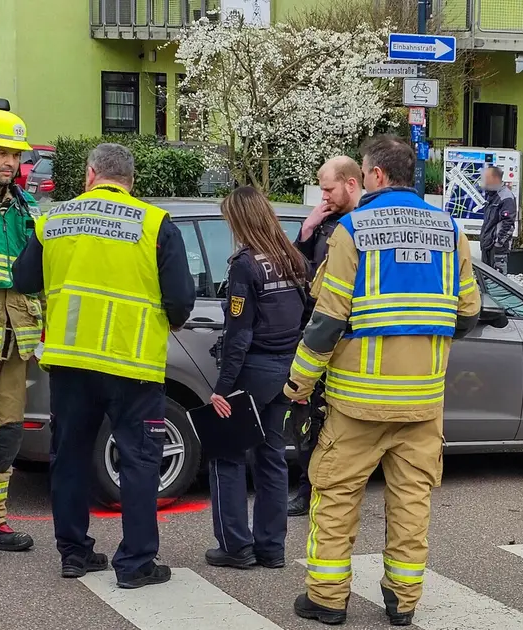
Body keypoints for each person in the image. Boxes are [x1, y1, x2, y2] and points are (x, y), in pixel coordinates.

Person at [285, 135, 481, 626]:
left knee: (335, 497)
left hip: (358, 403)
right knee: (412, 504)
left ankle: (327, 600)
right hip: (422, 401)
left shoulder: (352, 231)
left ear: (373, 175)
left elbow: (327, 322)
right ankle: (403, 602)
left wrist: (298, 385)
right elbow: (469, 313)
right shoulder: (448, 230)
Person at [11, 143, 195, 587]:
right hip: (132, 367)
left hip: (71, 363)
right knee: (138, 461)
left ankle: (73, 553)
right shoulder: (153, 223)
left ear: (90, 174)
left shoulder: (53, 219)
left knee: (70, 457)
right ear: (130, 180)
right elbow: (182, 301)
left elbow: (24, 280)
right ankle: (135, 565)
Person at [205, 186, 309, 570]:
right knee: (272, 457)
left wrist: (223, 387)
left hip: (253, 371)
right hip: (287, 370)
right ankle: (272, 548)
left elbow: (239, 335)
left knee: (227, 456)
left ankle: (236, 546)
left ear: (240, 220)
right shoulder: (293, 259)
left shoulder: (244, 266)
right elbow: (308, 315)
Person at [288, 156, 363, 518]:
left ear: (351, 184)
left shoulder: (363, 226)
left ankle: (331, 490)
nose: (324, 197)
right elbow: (298, 273)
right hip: (317, 332)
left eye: (329, 189)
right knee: (311, 420)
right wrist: (306, 230)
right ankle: (309, 488)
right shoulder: (323, 225)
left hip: (349, 339)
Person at [0, 108, 43, 552]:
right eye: (1, 151)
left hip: (16, 336)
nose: (11, 162)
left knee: (7, 431)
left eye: (16, 154)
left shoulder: (25, 206)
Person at [479, 166, 516, 274]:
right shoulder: (492, 195)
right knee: (486, 281)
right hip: (487, 246)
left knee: (498, 284)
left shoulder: (506, 197)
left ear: (495, 179)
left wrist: (498, 243)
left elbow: (508, 224)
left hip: (497, 250)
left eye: (487, 178)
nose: (484, 181)